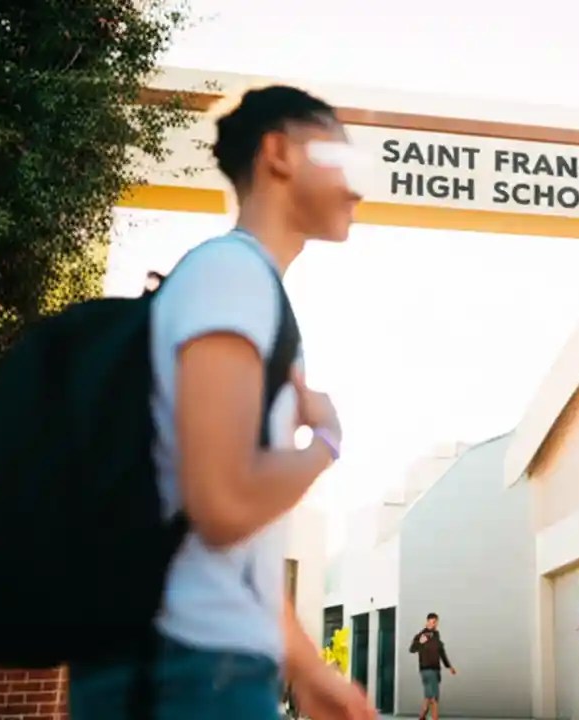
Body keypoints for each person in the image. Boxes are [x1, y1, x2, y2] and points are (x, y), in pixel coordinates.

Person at [67, 86, 374, 720]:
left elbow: (239, 548)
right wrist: (328, 443)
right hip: (187, 674)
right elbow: (225, 504)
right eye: (344, 162)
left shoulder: (244, 287)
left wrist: (311, 672)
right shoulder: (231, 276)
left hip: (207, 667)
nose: (358, 189)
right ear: (279, 153)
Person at [409, 612, 457, 720]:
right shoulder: (421, 636)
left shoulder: (436, 638)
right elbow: (412, 649)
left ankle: (422, 717)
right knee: (434, 697)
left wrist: (449, 667)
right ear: (427, 622)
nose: (433, 624)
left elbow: (442, 653)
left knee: (428, 696)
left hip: (435, 670)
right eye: (432, 622)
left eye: (435, 622)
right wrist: (420, 642)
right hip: (426, 669)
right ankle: (435, 718)